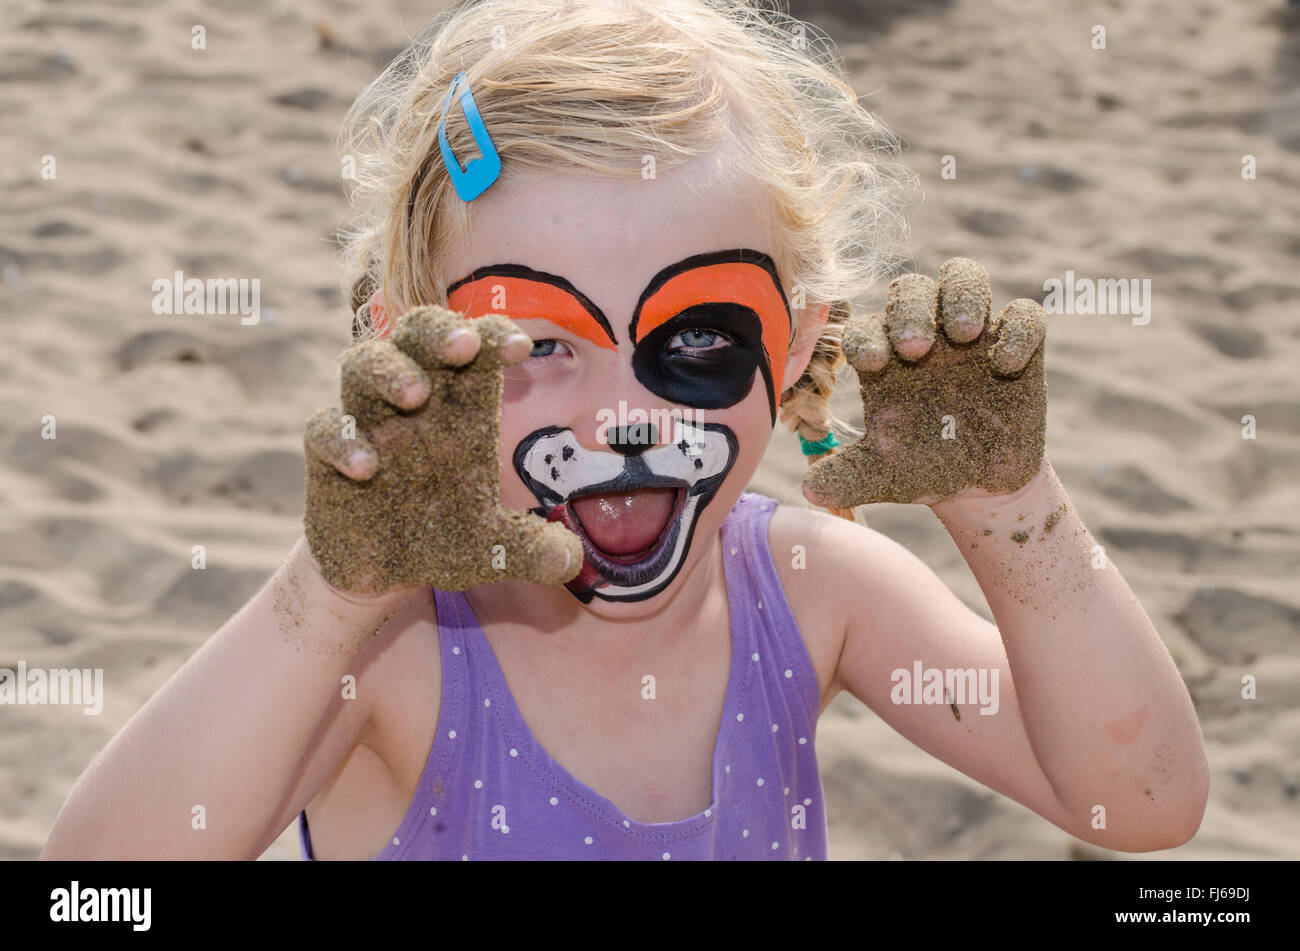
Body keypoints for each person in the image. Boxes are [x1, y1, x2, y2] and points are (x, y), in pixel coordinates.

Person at [42, 0, 1207, 861]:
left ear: (795, 346)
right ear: (414, 351)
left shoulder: (808, 593)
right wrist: (324, 601)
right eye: (536, 343)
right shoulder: (394, 650)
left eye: (695, 338)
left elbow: (1140, 802)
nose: (625, 420)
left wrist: (1011, 510)